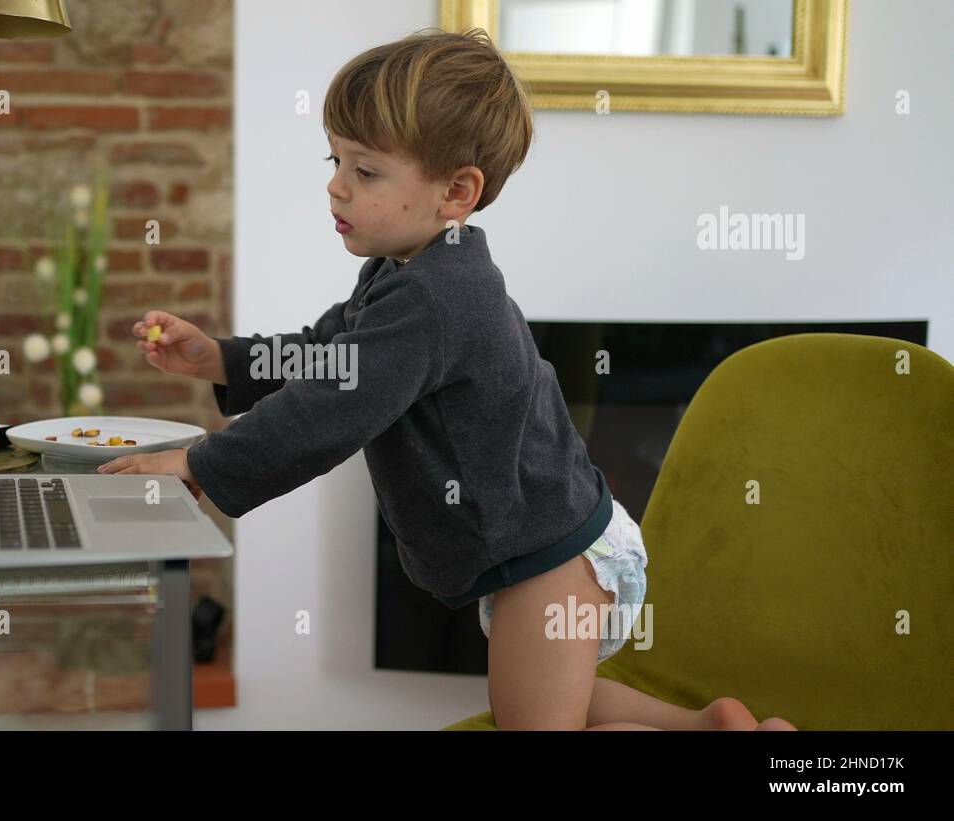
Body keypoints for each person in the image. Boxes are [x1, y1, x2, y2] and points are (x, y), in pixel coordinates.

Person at [97, 27, 795, 731]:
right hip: (549, 546)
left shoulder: (435, 298)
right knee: (547, 703)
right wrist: (219, 357)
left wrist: (202, 461)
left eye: (366, 172)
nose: (336, 184)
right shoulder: (400, 273)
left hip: (555, 557)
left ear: (456, 191)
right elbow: (323, 354)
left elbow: (328, 410)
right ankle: (710, 725)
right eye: (335, 159)